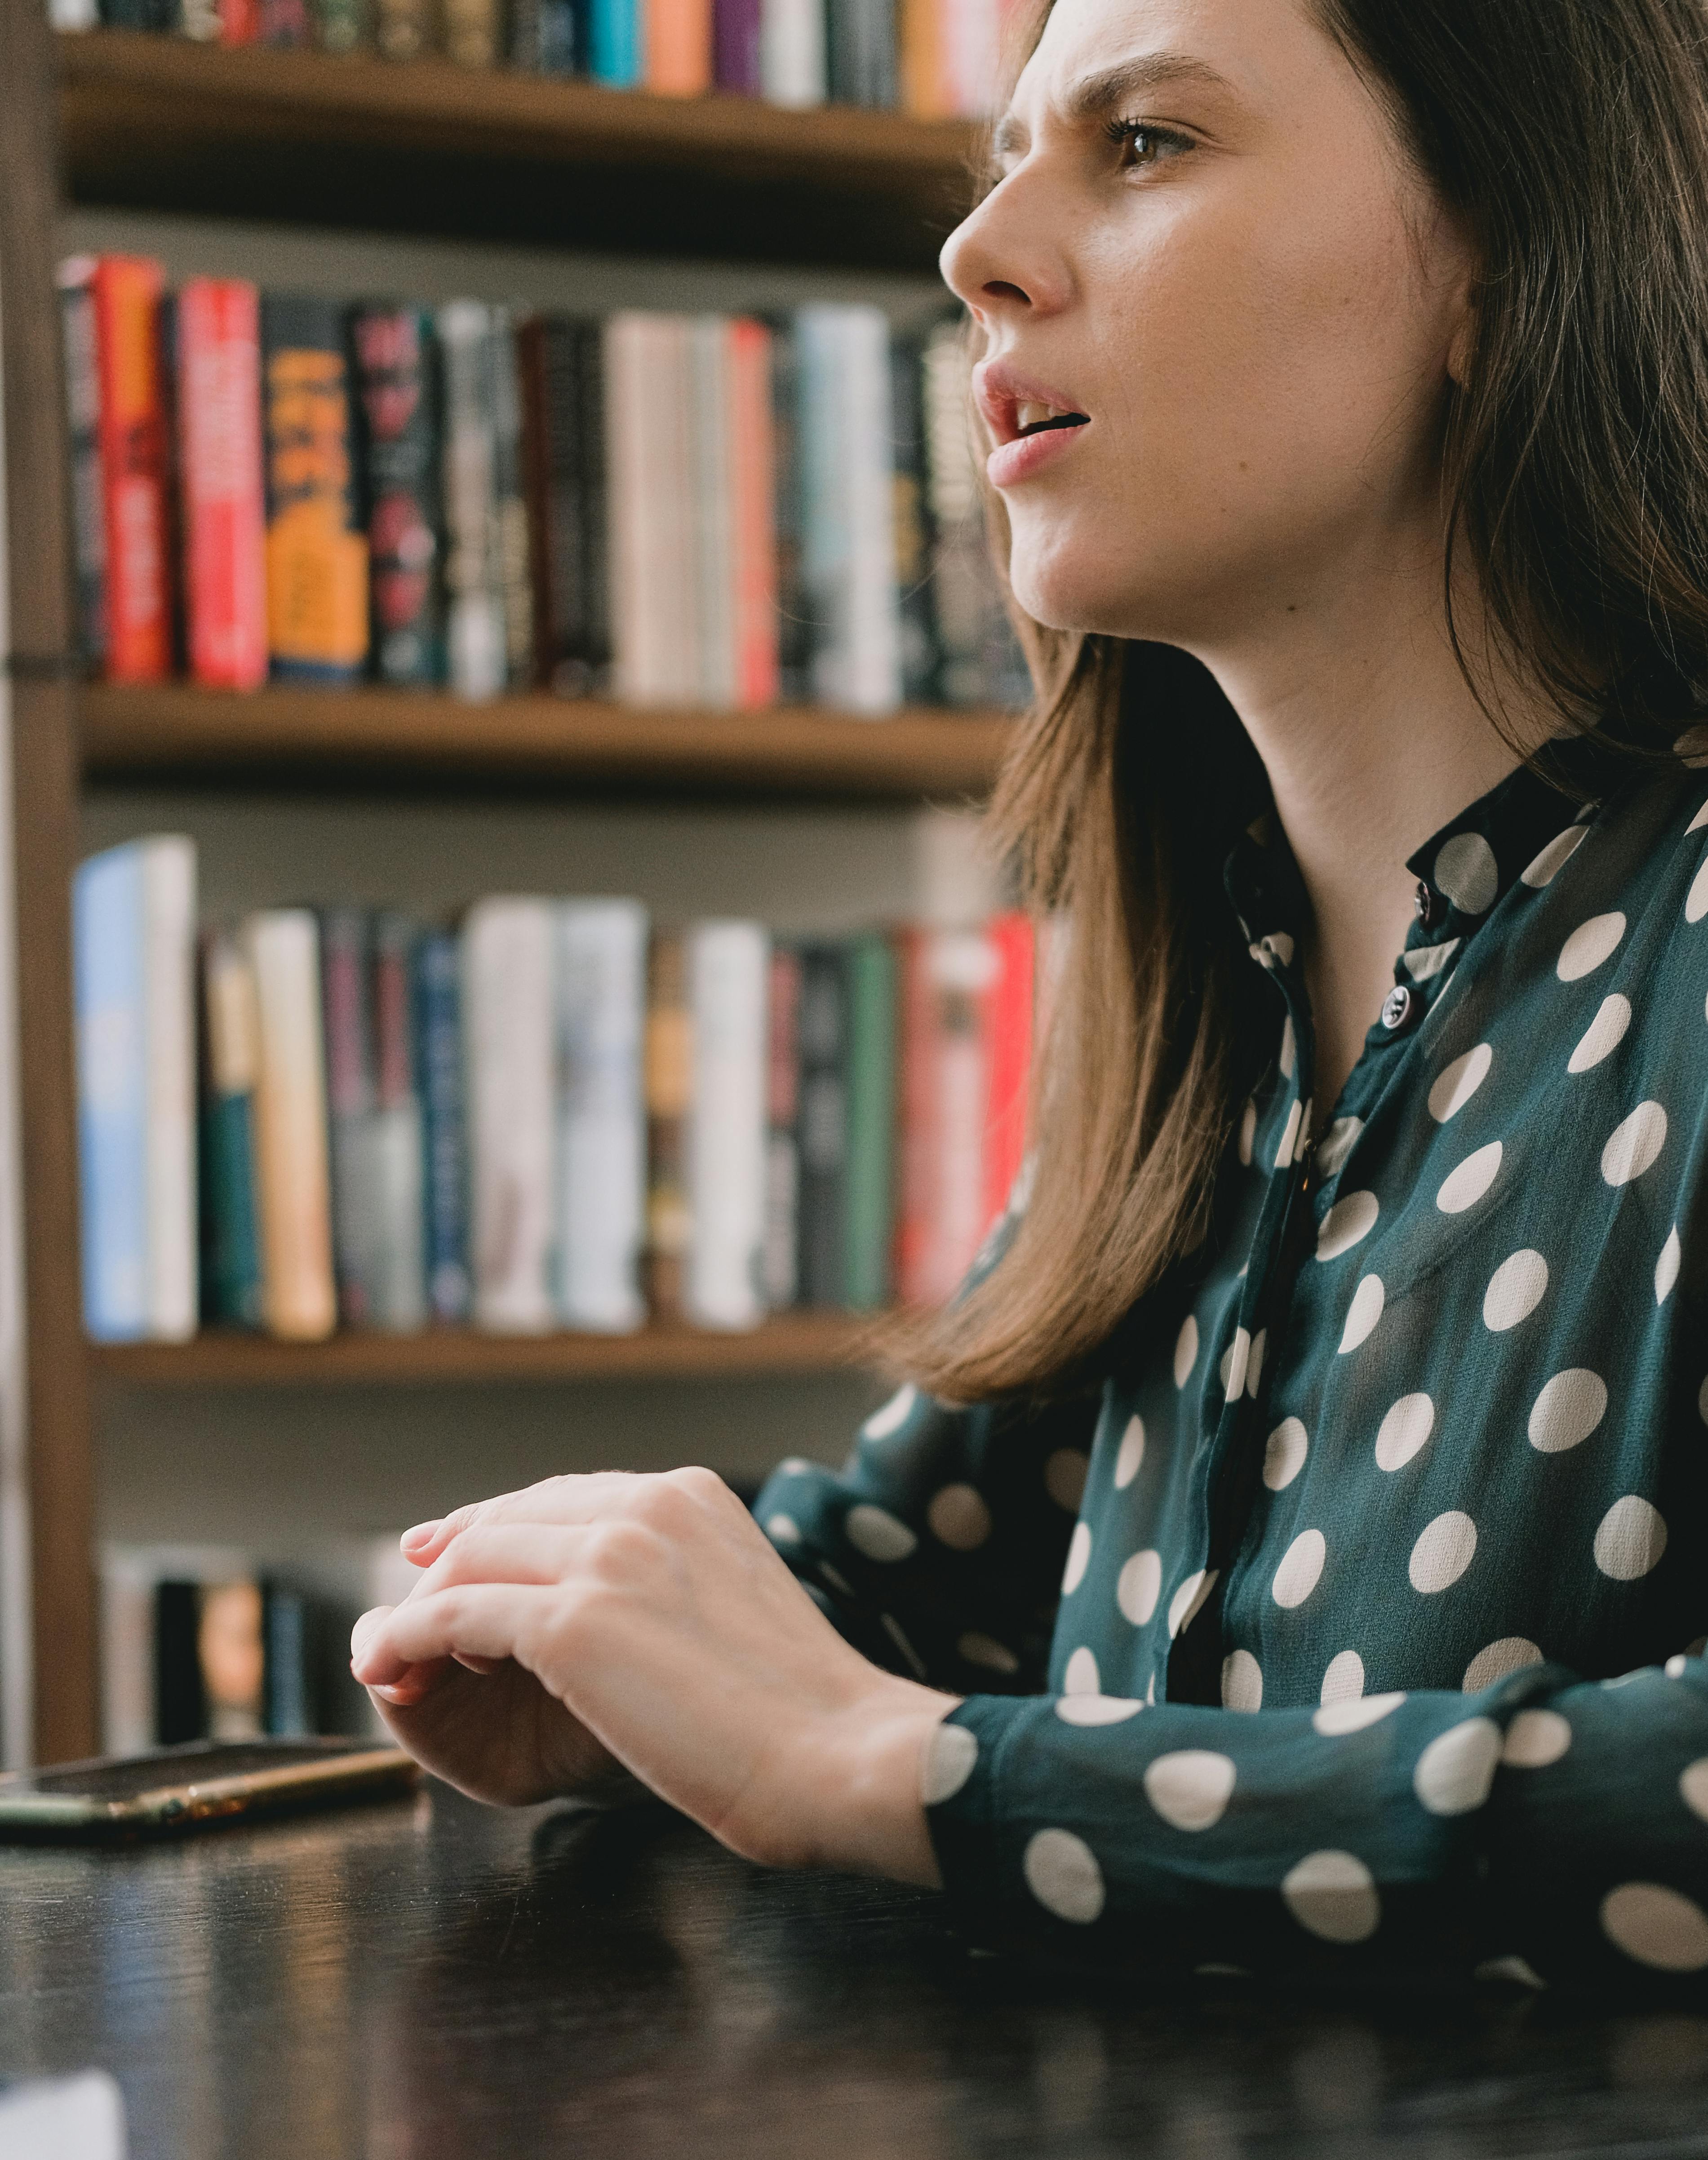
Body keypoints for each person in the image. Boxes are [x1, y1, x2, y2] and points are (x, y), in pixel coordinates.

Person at [353, 0, 1708, 1987]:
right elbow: (912, 1582)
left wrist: (902, 1769)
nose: (975, 248)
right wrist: (610, 1642)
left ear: (1509, 259)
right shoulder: (1218, 1019)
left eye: (1144, 143)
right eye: (1002, 156)